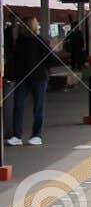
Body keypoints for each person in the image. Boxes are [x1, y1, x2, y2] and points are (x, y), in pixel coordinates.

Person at [6, 16, 54, 146]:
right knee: (23, 106)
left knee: (30, 106)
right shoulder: (21, 41)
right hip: (26, 78)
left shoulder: (39, 41)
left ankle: (35, 135)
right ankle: (19, 136)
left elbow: (51, 58)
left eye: (24, 25)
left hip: (37, 79)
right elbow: (51, 59)